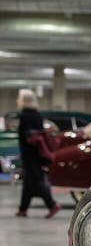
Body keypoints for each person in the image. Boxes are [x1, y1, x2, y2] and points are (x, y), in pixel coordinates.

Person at [15, 89, 60, 218]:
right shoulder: (37, 115)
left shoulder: (24, 116)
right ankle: (22, 209)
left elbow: (28, 136)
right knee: (28, 183)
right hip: (39, 153)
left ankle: (52, 204)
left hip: (29, 155)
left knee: (36, 180)